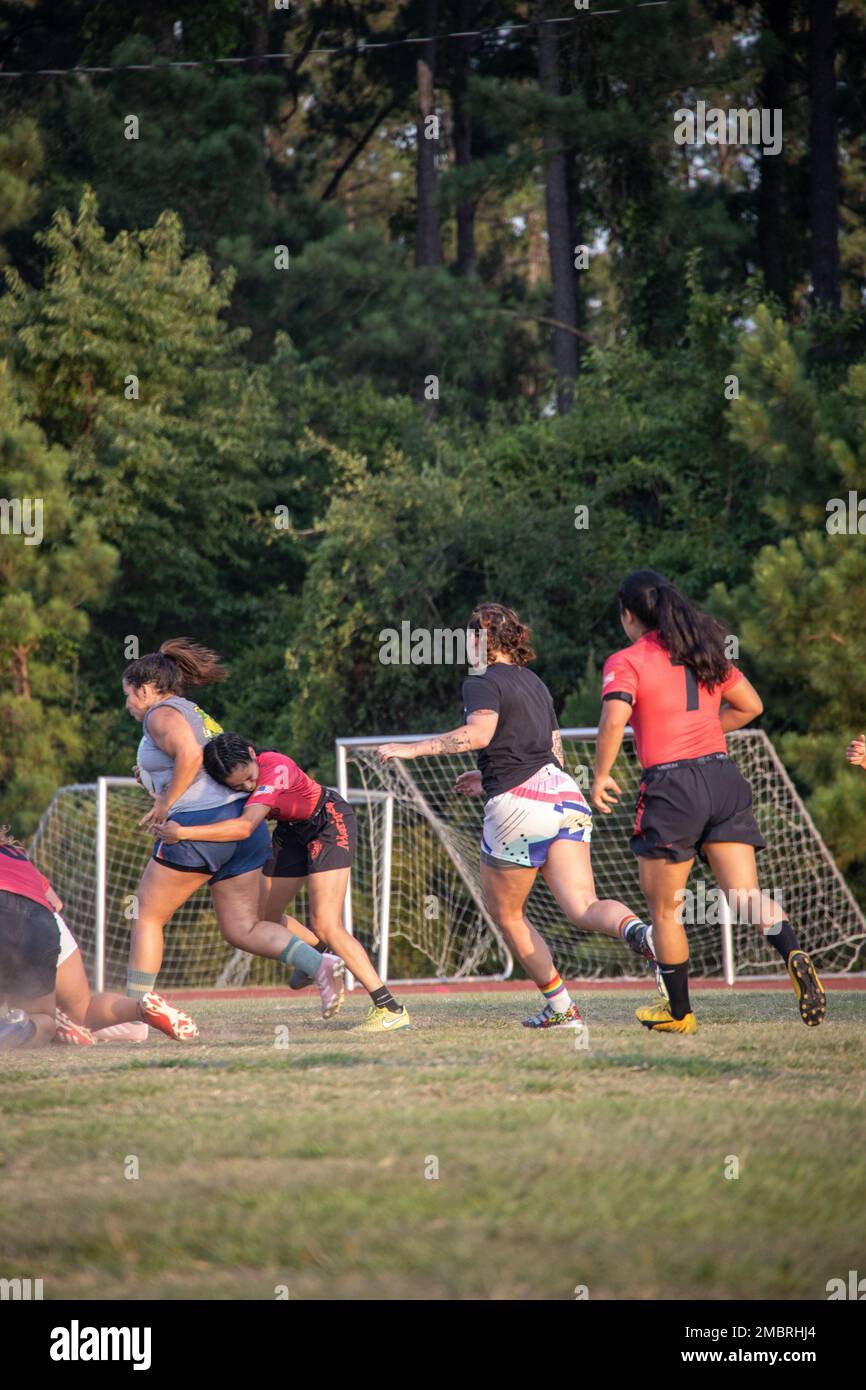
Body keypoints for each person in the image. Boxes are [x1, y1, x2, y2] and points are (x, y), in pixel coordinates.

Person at [376, 602, 654, 1029]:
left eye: (468, 636)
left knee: (507, 913)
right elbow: (553, 751)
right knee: (583, 905)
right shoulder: (535, 682)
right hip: (564, 794)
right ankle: (640, 933)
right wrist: (488, 778)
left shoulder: (481, 679)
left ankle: (562, 1008)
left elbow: (480, 733)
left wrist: (411, 749)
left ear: (480, 640)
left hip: (520, 804)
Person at [592, 569, 825, 1034]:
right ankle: (793, 950)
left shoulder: (627, 659)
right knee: (744, 895)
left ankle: (679, 1012)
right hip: (723, 777)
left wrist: (600, 775)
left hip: (671, 787)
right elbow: (750, 705)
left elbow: (615, 719)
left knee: (665, 910)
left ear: (628, 616)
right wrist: (707, 732)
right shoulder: (704, 651)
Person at [123, 639, 345, 1036]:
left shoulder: (158, 713)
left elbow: (190, 758)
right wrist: (155, 787)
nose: (128, 704)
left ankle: (136, 1016)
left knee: (148, 915)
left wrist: (163, 804)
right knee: (242, 927)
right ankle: (320, 963)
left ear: (144, 689)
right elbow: (196, 770)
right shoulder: (193, 711)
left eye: (128, 695)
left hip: (201, 829)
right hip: (241, 825)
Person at [153, 735, 411, 1034]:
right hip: (291, 833)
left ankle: (390, 1008)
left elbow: (246, 826)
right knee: (265, 918)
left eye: (249, 778)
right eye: (238, 786)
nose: (247, 787)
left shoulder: (275, 766)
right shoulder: (233, 769)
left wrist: (183, 832)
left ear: (252, 752)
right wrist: (153, 780)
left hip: (326, 822)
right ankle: (322, 958)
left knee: (326, 923)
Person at [0, 828, 157, 1048]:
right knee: (46, 1019)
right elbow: (55, 904)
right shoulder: (13, 855)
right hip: (40, 925)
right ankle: (140, 1009)